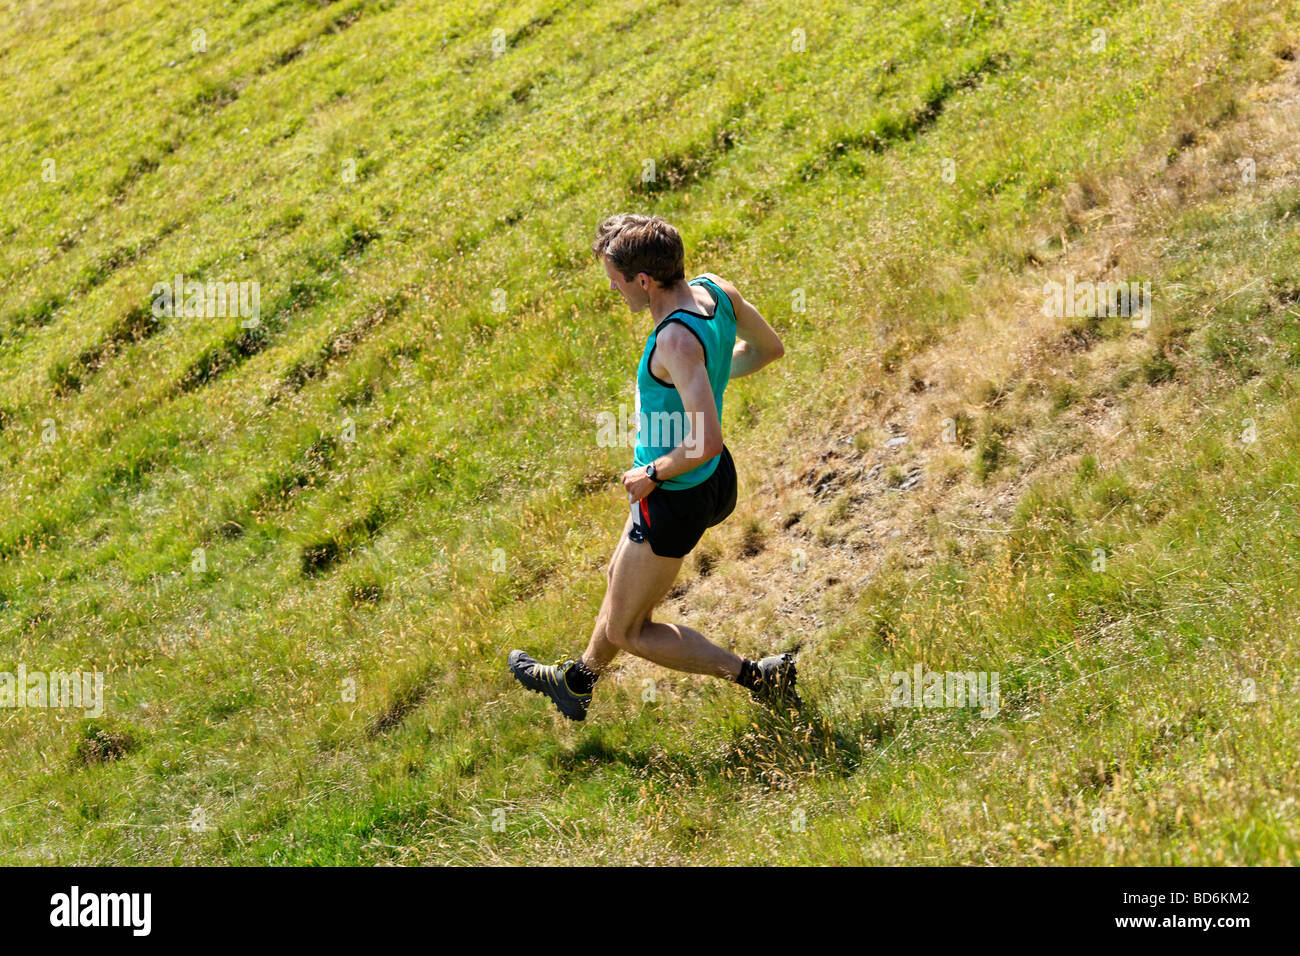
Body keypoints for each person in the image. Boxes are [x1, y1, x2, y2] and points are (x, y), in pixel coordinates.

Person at [508, 213, 795, 720]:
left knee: (629, 629)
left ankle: (758, 677)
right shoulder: (716, 292)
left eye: (616, 281)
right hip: (709, 481)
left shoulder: (675, 341)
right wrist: (706, 383)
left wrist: (653, 473)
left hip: (674, 495)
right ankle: (576, 684)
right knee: (619, 578)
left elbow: (705, 439)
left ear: (642, 280)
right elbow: (769, 348)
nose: (615, 290)